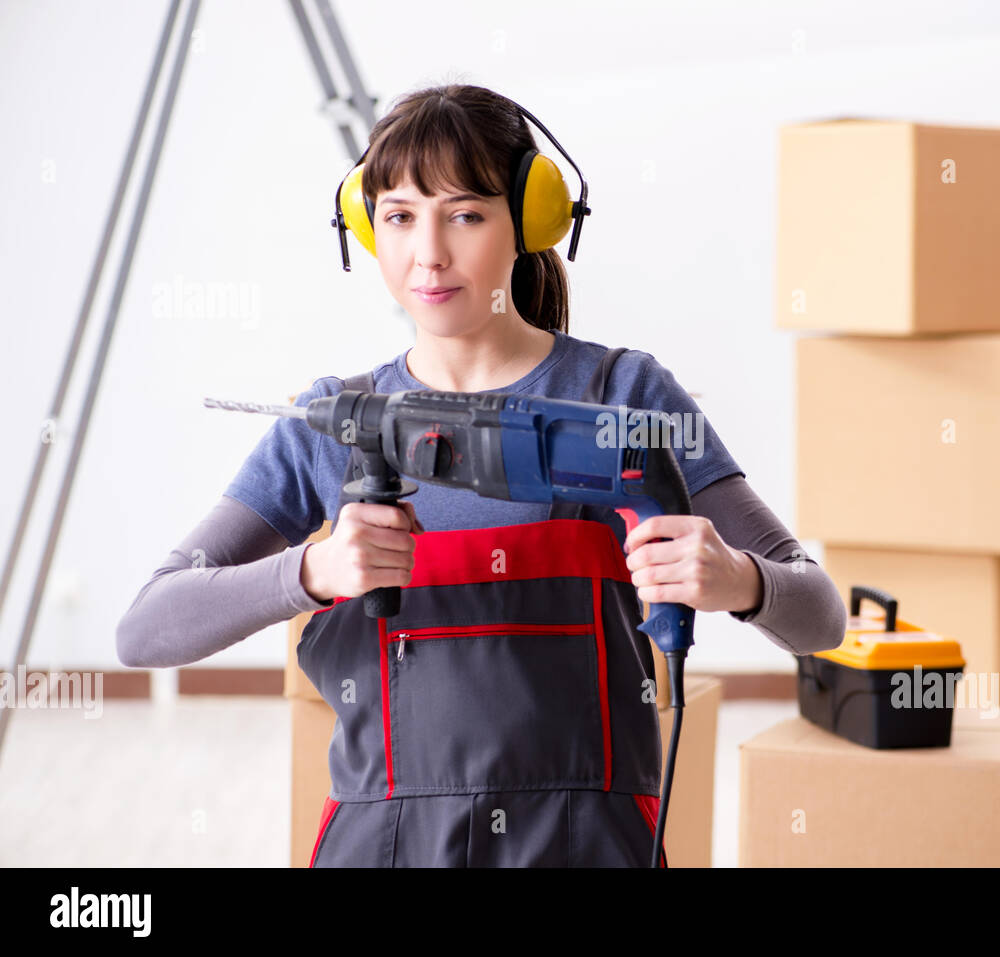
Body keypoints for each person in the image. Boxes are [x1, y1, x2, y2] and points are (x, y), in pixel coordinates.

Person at [116, 83, 846, 867]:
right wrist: (313, 569)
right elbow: (145, 628)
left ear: (530, 221)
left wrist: (738, 578)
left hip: (586, 847)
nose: (427, 252)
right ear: (366, 228)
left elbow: (822, 617)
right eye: (398, 216)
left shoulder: (623, 398)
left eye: (465, 213)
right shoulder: (336, 422)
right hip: (385, 848)